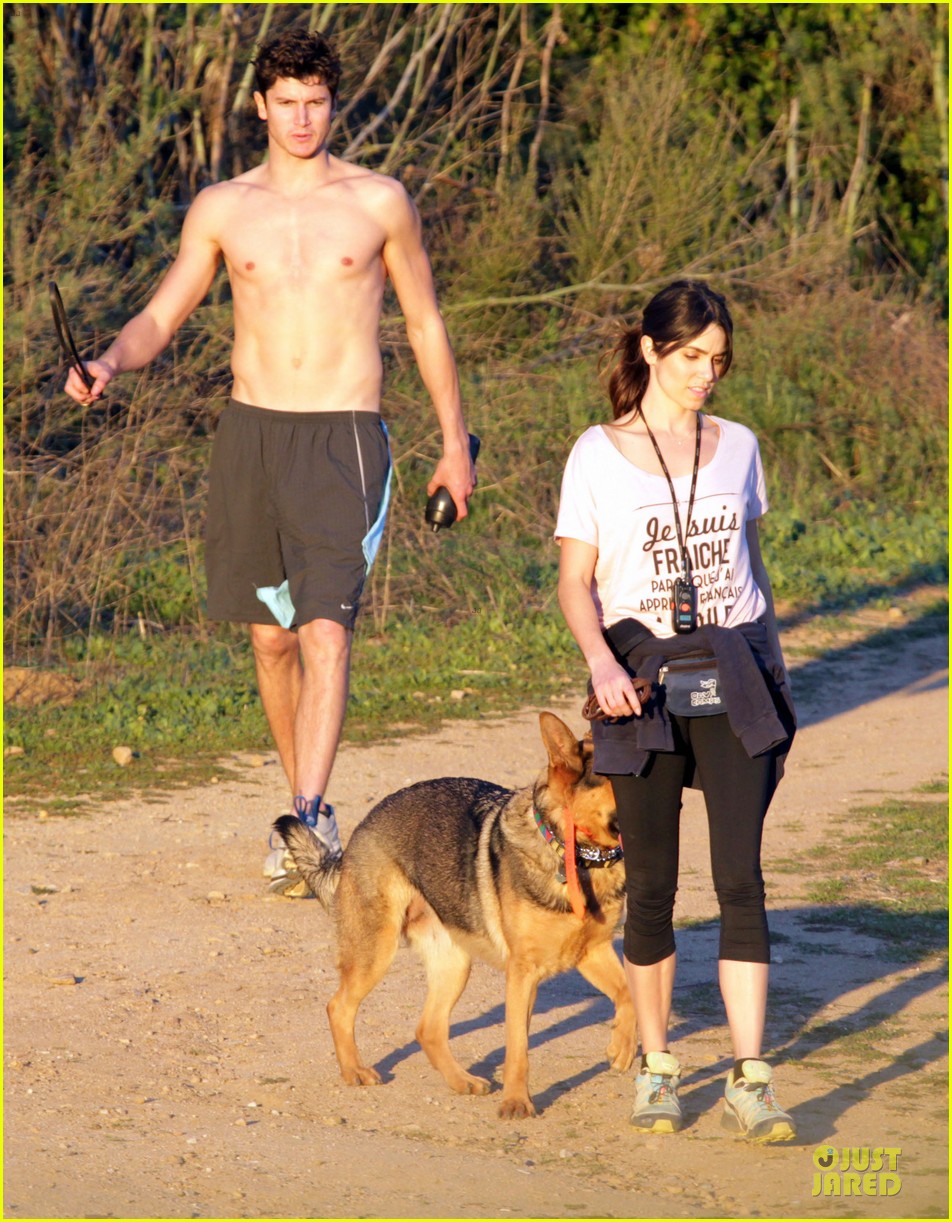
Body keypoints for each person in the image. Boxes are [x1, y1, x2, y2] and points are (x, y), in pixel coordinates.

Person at [64, 29, 475, 895]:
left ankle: (310, 814)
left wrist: (451, 446)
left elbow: (427, 324)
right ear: (259, 105)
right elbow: (162, 314)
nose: (301, 117)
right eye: (286, 102)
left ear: (335, 104)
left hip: (344, 439)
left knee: (326, 629)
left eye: (317, 102)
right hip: (251, 437)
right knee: (270, 639)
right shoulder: (222, 207)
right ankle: (304, 811)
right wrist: (107, 361)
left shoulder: (379, 201)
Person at [555, 280, 797, 1143]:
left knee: (742, 881)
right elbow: (574, 582)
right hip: (641, 683)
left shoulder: (740, 448)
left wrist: (772, 672)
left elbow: (754, 569)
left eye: (719, 361)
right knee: (651, 887)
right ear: (652, 351)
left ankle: (751, 1078)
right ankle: (658, 1070)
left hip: (732, 673)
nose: (706, 374)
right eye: (692, 357)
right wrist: (599, 664)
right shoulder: (596, 452)